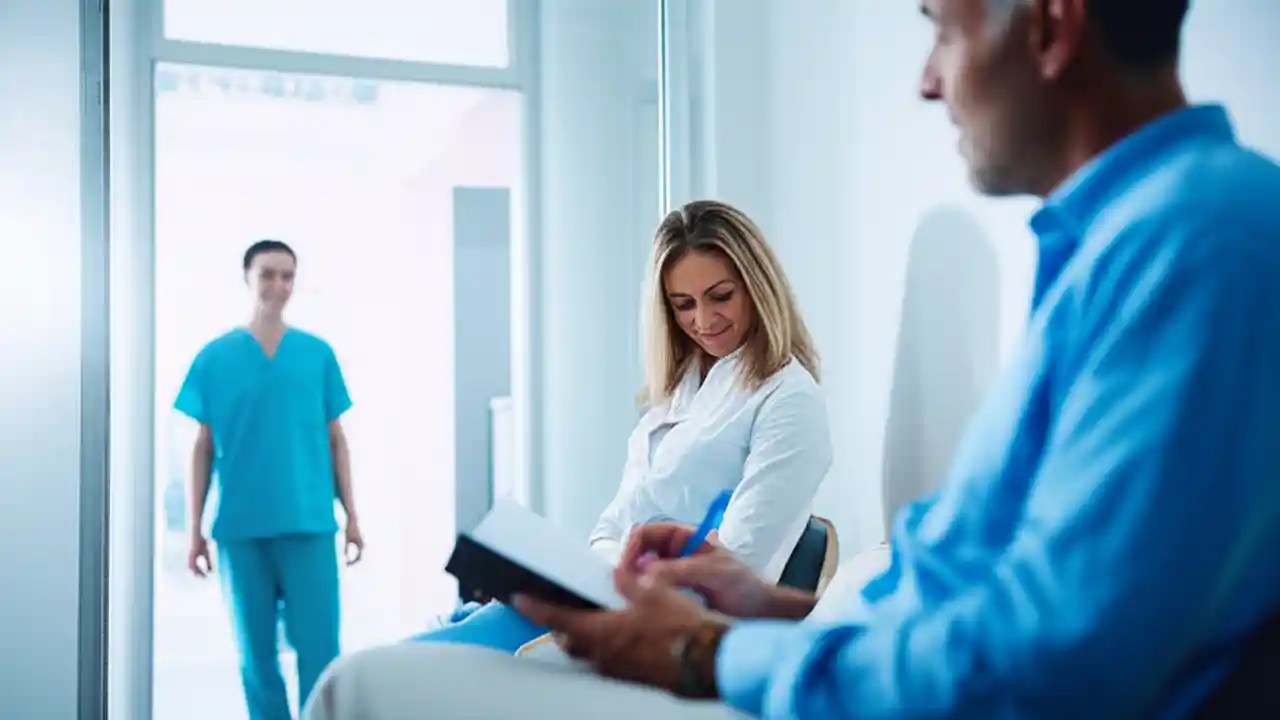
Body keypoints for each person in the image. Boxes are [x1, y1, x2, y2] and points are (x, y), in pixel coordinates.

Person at [304, 0, 1280, 717]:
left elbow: (1060, 654)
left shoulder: (1199, 242)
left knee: (371, 688)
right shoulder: (1113, 251)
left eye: (939, 29)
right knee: (401, 668)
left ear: (1049, 27)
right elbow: (979, 579)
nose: (926, 79)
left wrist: (713, 657)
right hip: (833, 654)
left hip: (850, 691)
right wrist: (771, 608)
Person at [411, 199, 833, 653]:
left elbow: (734, 566)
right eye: (683, 305)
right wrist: (579, 578)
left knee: (404, 667)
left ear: (758, 287)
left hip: (672, 624)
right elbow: (613, 525)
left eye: (721, 296)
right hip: (614, 598)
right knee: (431, 639)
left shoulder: (789, 400)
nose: (704, 321)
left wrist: (621, 579)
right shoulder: (680, 391)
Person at [177, 240, 365, 720]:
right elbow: (202, 446)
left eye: (287, 276)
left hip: (308, 522)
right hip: (241, 528)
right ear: (248, 278)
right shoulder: (216, 357)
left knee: (320, 651)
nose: (278, 285)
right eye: (268, 274)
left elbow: (335, 440)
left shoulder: (316, 354)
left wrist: (353, 518)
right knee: (255, 656)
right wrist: (194, 530)